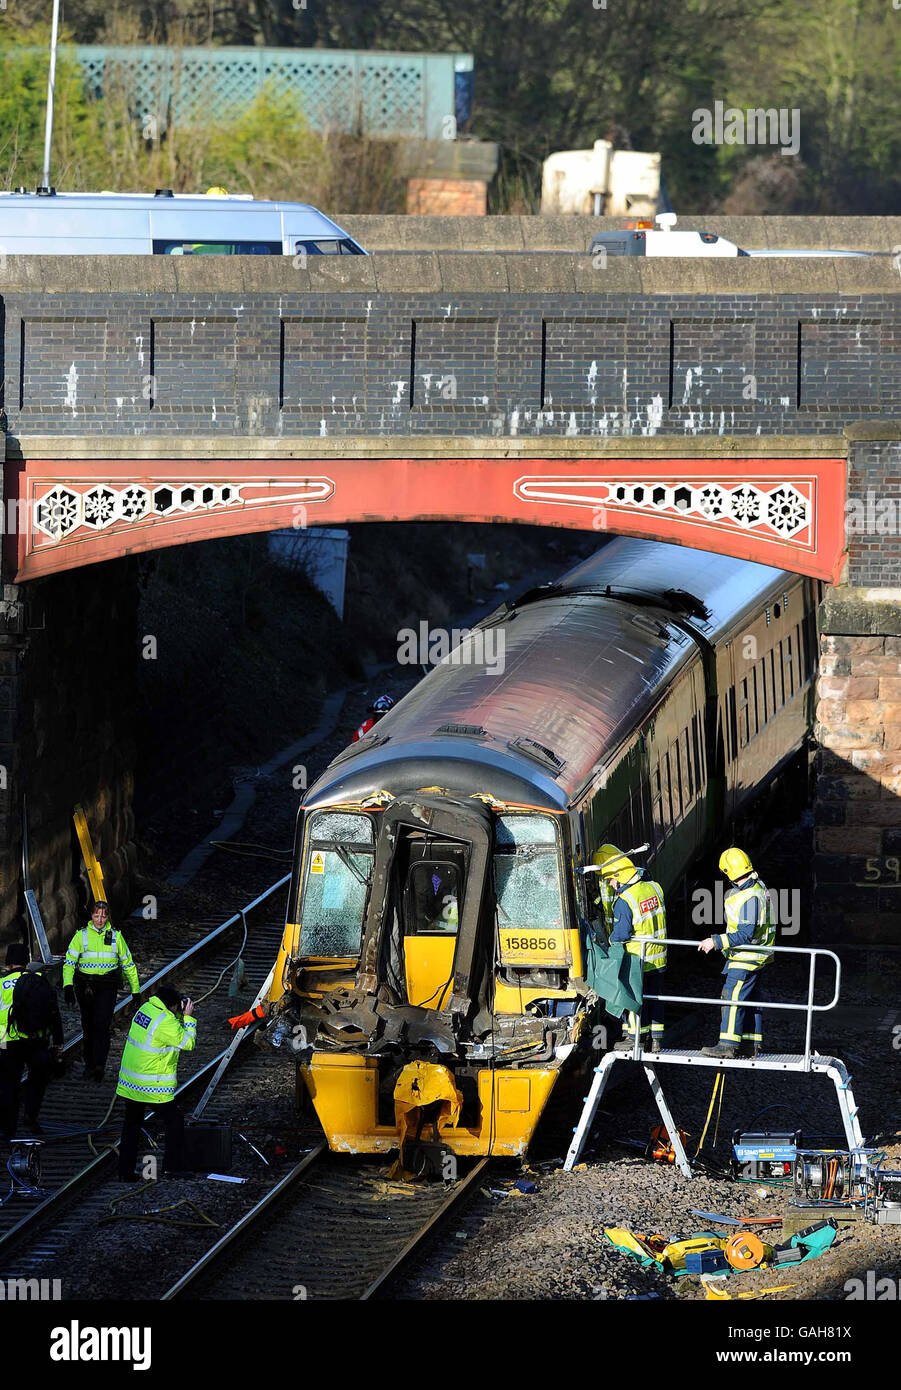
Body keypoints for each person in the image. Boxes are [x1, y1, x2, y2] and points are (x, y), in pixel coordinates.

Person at [698, 847, 775, 1059]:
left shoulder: (749, 897)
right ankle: (751, 1044)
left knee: (731, 998)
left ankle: (727, 1045)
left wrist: (715, 941)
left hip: (745, 958)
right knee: (751, 1000)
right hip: (758, 957)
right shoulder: (759, 886)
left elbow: (745, 934)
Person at [115, 986, 196, 1182]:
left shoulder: (145, 1009)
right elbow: (188, 1043)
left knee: (131, 1125)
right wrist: (188, 1018)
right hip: (152, 1087)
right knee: (174, 1121)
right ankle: (173, 1167)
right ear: (172, 1005)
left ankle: (125, 1172)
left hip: (130, 1083)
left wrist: (177, 1015)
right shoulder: (166, 1020)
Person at [594, 844, 668, 1053]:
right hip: (659, 958)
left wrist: (607, 942)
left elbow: (622, 934)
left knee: (633, 998)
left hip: (638, 959)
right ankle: (656, 1040)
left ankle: (634, 1039)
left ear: (619, 876)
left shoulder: (624, 900)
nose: (610, 883)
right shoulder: (654, 887)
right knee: (655, 998)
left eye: (611, 879)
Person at [63, 901, 140, 1082]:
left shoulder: (116, 937)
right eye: (97, 915)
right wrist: (67, 986)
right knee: (88, 1026)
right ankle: (90, 1064)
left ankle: (99, 1066)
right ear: (91, 915)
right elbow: (69, 963)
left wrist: (135, 990)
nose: (99, 919)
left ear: (107, 917)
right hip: (86, 987)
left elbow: (128, 964)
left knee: (102, 1026)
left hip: (107, 986)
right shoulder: (80, 937)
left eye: (103, 916)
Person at [0, 943, 63, 1138]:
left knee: (9, 1084)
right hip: (38, 1040)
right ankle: (31, 1117)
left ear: (8, 964)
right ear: (26, 963)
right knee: (37, 1081)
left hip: (9, 1043)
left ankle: (9, 1128)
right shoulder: (38, 980)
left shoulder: (1, 986)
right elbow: (54, 1011)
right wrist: (58, 1040)